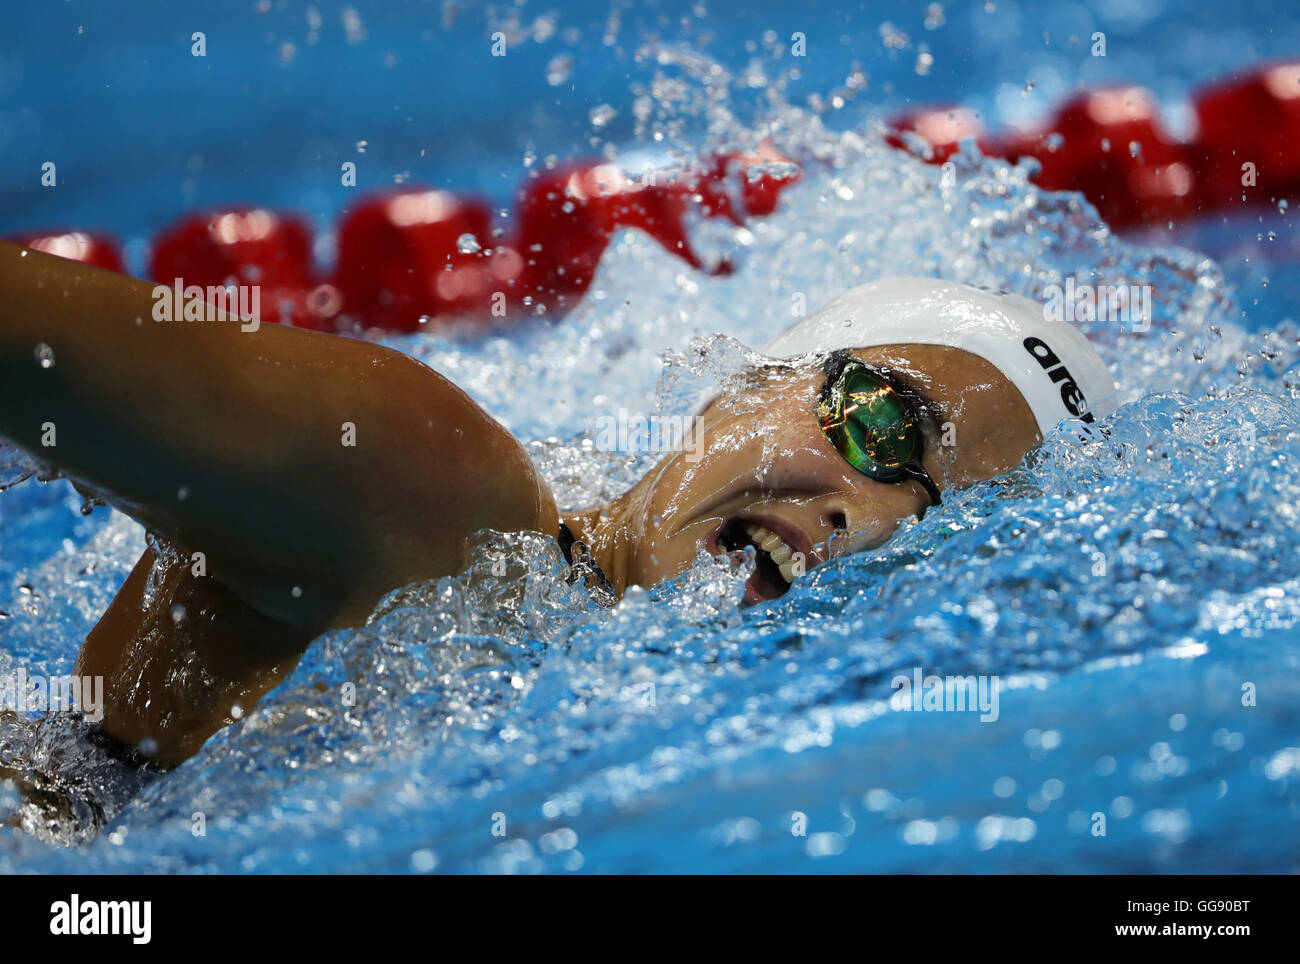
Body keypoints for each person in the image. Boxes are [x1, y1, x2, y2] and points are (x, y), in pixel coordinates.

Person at [0, 242, 1116, 766]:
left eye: (936, 527)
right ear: (745, 380)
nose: (867, 519)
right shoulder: (433, 492)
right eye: (881, 424)